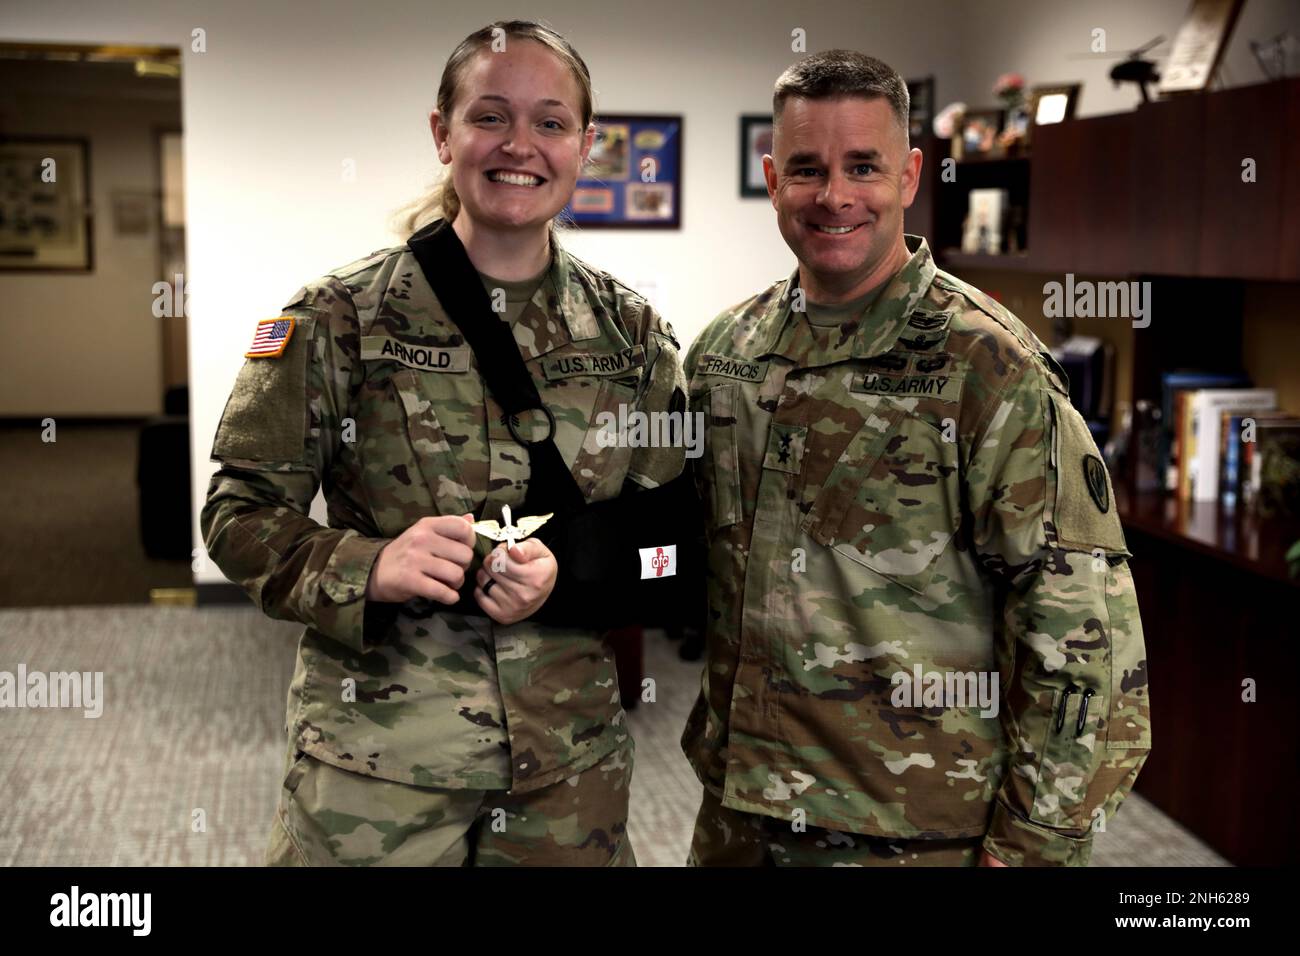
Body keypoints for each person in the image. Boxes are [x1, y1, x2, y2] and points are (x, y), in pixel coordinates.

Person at [201, 19, 686, 866]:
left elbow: (672, 540)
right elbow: (237, 513)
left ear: (585, 145)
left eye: (550, 122)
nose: (519, 146)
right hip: (378, 764)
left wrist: (574, 568)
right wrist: (366, 566)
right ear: (442, 133)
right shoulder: (335, 317)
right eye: (490, 116)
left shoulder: (633, 334)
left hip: (568, 768)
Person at [680, 50, 1151, 866]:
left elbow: (1085, 630)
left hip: (913, 832)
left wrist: (1035, 843)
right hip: (739, 814)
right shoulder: (727, 354)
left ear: (907, 175)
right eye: (806, 169)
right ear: (771, 178)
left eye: (863, 166)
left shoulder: (987, 366)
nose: (834, 196)